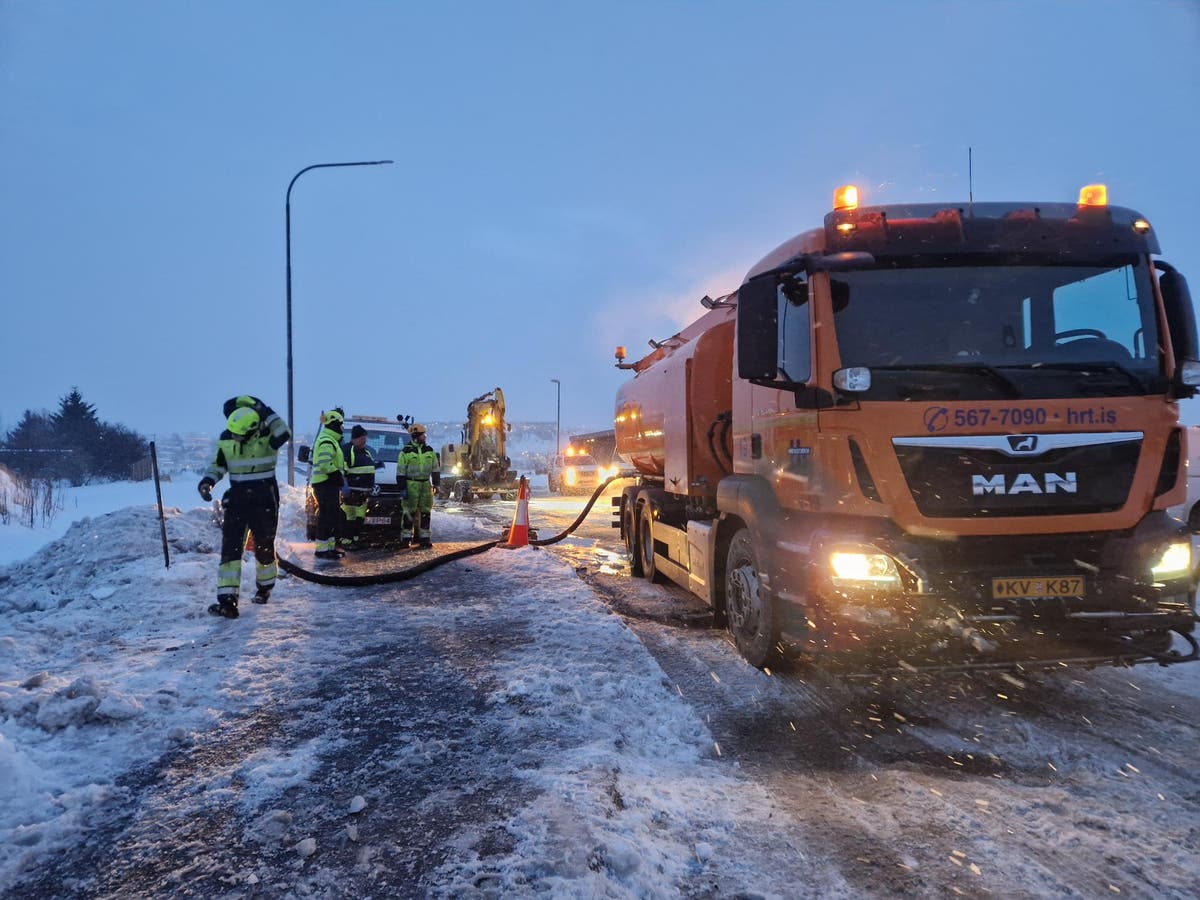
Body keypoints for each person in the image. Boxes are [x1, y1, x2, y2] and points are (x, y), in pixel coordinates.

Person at [198, 395, 290, 619]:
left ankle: (264, 587)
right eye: (233, 433)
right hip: (238, 496)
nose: (236, 438)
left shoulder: (267, 438)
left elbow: (283, 431)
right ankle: (228, 601)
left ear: (252, 429)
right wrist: (207, 482)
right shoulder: (227, 437)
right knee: (230, 548)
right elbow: (218, 465)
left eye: (240, 434)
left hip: (265, 497)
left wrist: (263, 409)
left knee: (264, 546)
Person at [311, 408, 347, 559]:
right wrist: (337, 475)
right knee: (326, 517)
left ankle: (330, 548)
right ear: (334, 425)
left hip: (329, 485)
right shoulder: (326, 440)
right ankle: (321, 550)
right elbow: (325, 463)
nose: (341, 428)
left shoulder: (331, 440)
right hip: (325, 484)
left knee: (333, 516)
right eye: (340, 425)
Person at [340, 424, 382, 550]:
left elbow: (365, 466)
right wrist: (344, 485)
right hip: (352, 492)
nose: (365, 440)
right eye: (362, 438)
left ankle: (356, 539)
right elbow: (342, 470)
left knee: (359, 517)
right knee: (350, 517)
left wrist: (376, 466)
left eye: (365, 438)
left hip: (364, 493)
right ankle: (347, 540)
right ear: (355, 438)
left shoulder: (366, 451)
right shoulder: (348, 450)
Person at [398, 423, 440, 548]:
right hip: (411, 484)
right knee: (409, 512)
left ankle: (424, 538)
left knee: (426, 511)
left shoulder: (430, 450)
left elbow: (435, 469)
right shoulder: (405, 452)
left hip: (425, 485)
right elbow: (400, 472)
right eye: (423, 435)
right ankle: (405, 539)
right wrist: (402, 488)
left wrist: (437, 484)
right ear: (416, 436)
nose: (425, 437)